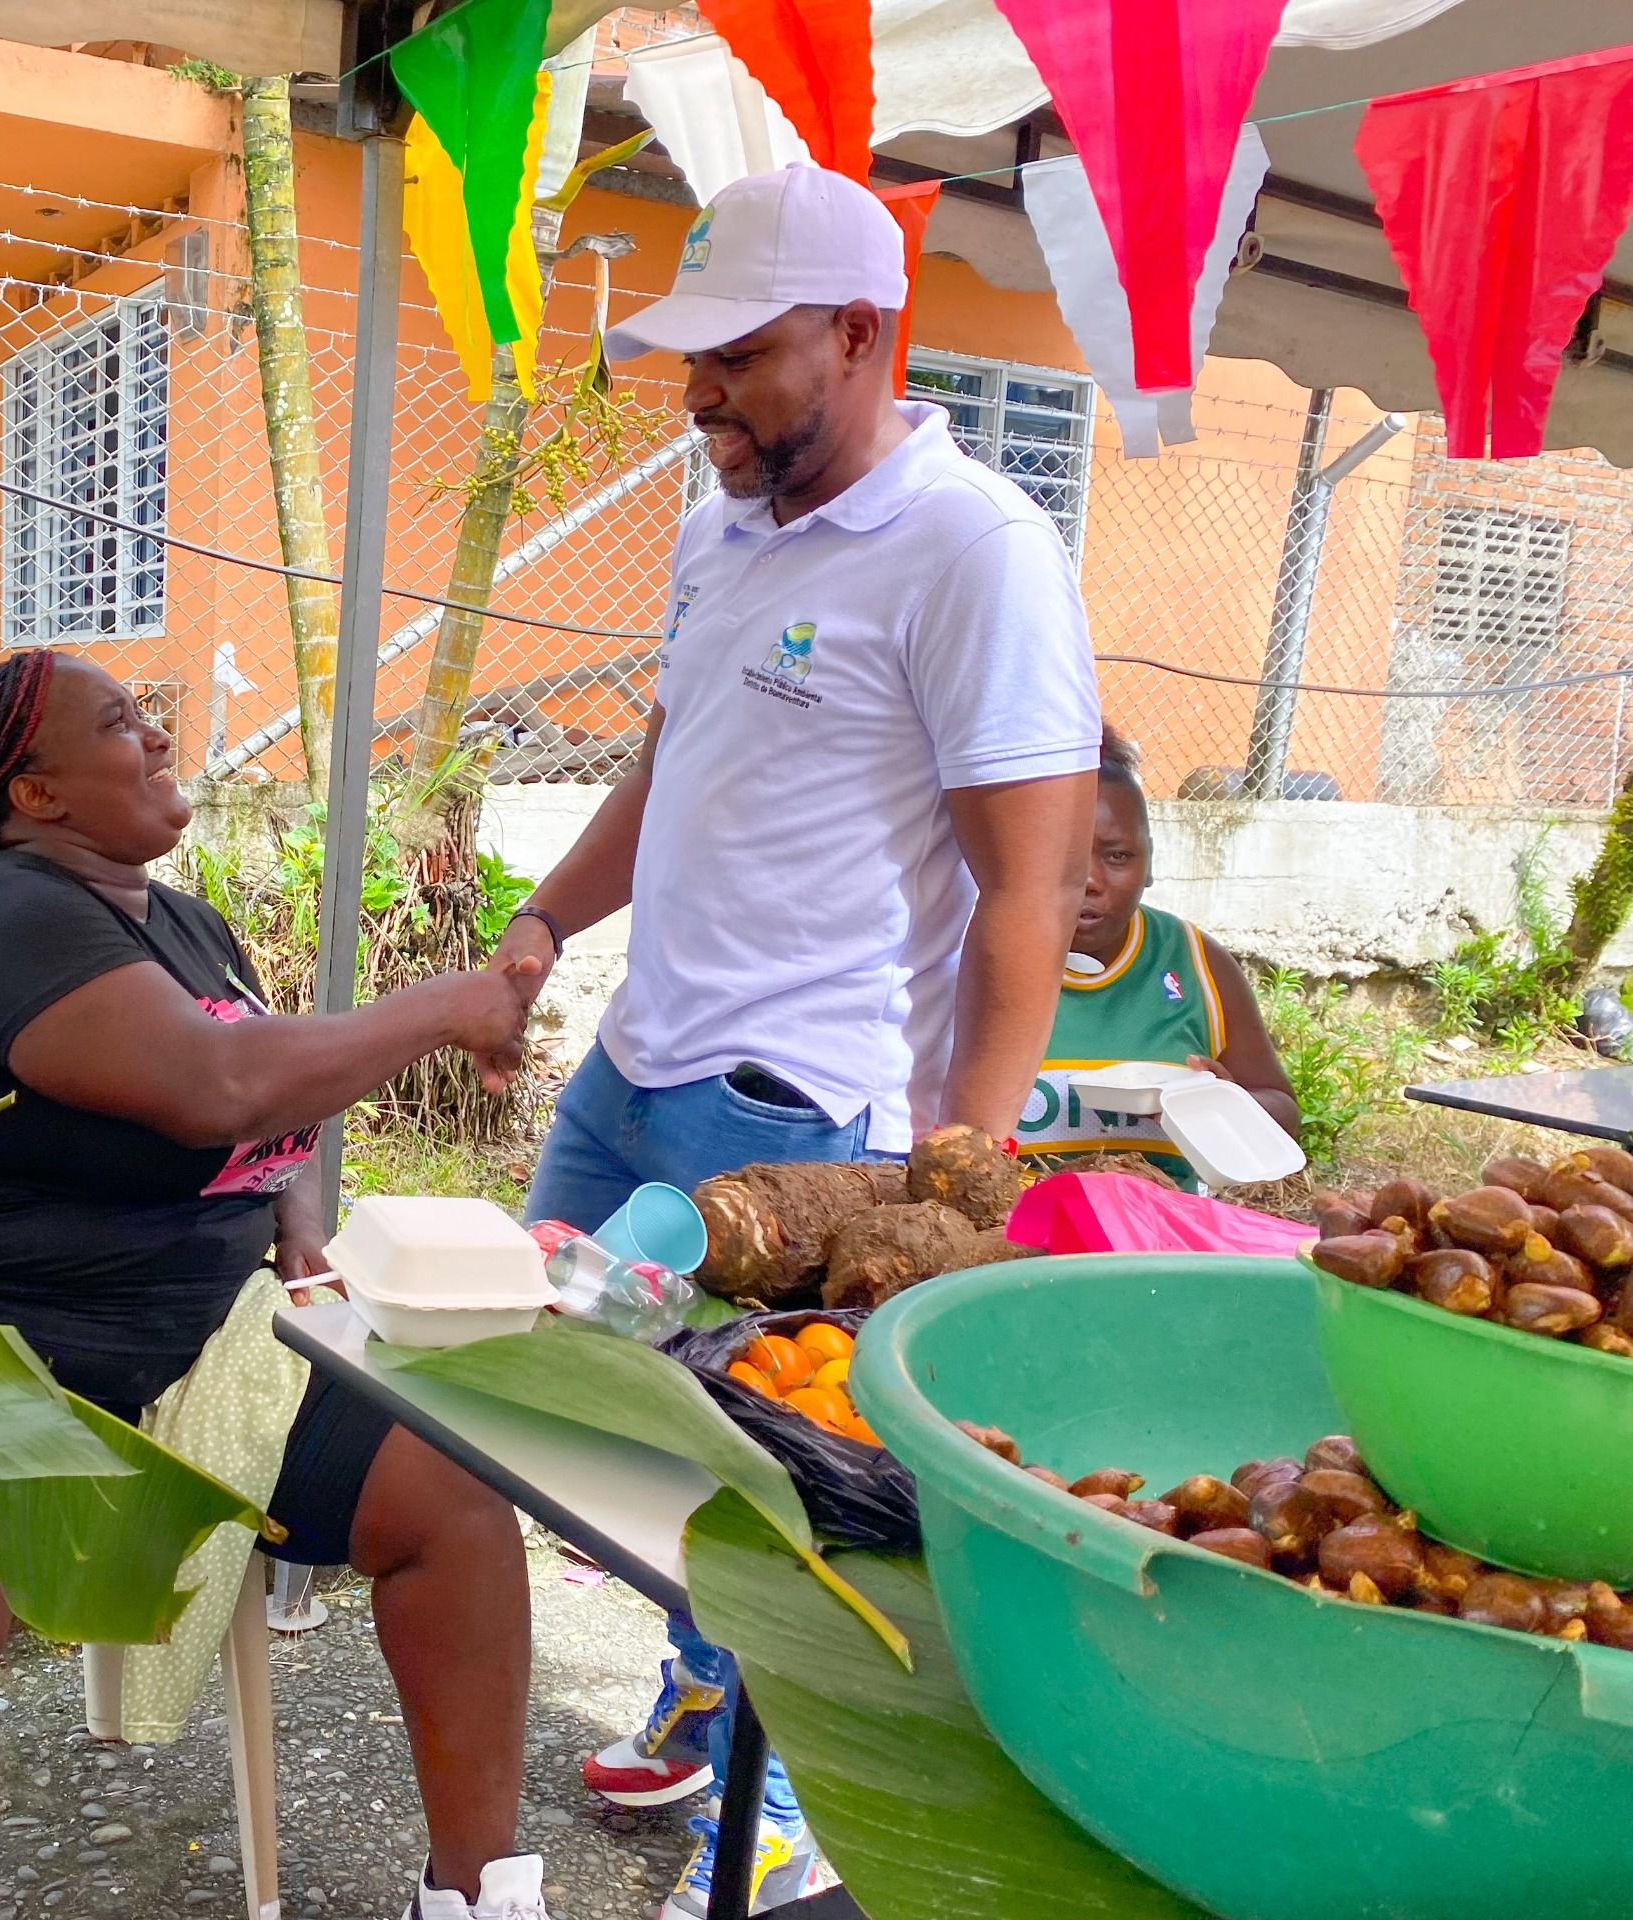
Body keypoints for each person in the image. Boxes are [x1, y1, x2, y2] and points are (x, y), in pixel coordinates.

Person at [481, 166, 1102, 1916]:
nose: (700, 397)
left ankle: (788, 1804)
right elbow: (676, 766)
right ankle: (704, 1687)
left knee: (752, 1475)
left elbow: (1026, 893)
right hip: (637, 1064)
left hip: (792, 1117)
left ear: (859, 334)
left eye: (741, 359)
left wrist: (954, 1178)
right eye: (695, 359)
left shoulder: (974, 549)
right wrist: (542, 929)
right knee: (560, 1411)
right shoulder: (725, 523)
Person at [0, 648, 551, 1920]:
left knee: (454, 1486)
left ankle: (478, 1893)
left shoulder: (183, 922)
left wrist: (297, 1222)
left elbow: (269, 1116)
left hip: (187, 1348)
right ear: (34, 793)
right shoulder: (3, 910)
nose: (156, 737)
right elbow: (216, 1086)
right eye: (119, 724)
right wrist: (450, 1004)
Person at [1019, 727, 1299, 1182]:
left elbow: (1284, 1114)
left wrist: (1228, 1104)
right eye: (1064, 854)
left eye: (1117, 856)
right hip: (1015, 1239)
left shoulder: (1194, 961)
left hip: (1163, 1239)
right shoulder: (976, 958)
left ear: (1149, 865)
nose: (1089, 879)